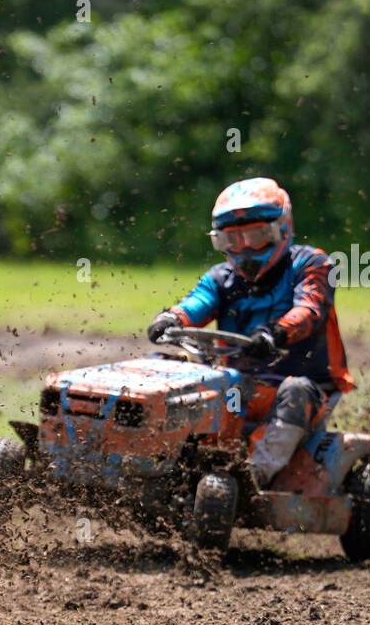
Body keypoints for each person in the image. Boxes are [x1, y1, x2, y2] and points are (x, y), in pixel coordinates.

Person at [146, 177, 353, 487]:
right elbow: (197, 303)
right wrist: (173, 318)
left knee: (295, 390)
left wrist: (275, 334)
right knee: (164, 368)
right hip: (238, 389)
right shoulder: (221, 278)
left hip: (307, 389)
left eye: (255, 237)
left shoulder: (311, 263)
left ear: (281, 229)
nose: (243, 249)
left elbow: (309, 310)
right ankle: (157, 465)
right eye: (232, 240)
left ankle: (250, 480)